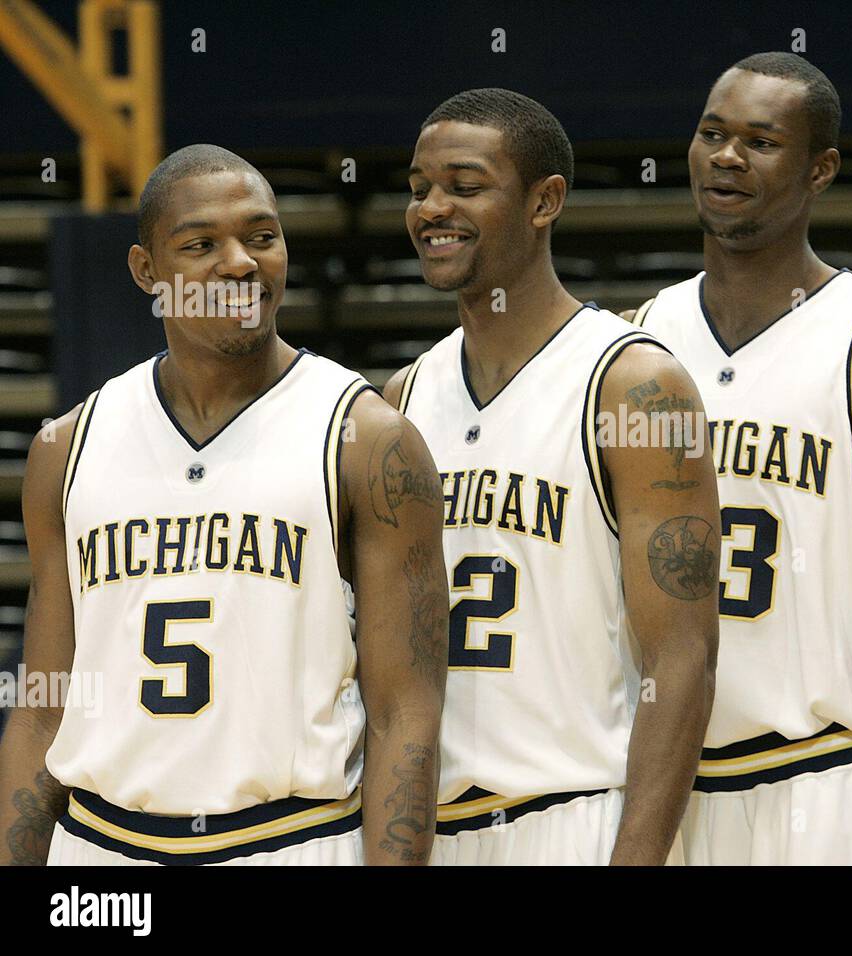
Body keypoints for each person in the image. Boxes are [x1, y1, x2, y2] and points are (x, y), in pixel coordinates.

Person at [0, 145, 448, 866]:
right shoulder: (69, 446)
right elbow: (45, 706)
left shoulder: (367, 440)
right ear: (148, 272)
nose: (240, 262)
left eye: (262, 237)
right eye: (202, 244)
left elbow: (408, 714)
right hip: (103, 855)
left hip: (290, 840)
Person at [626, 53, 852, 865]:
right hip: (659, 786)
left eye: (760, 141)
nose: (727, 157)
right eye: (712, 134)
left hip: (819, 777)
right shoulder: (639, 340)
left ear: (821, 169)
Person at [385, 89, 720, 865]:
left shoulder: (631, 383)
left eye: (465, 187)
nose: (433, 208)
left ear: (545, 201)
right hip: (430, 830)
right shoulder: (400, 402)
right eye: (418, 188)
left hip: (574, 819)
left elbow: (683, 657)